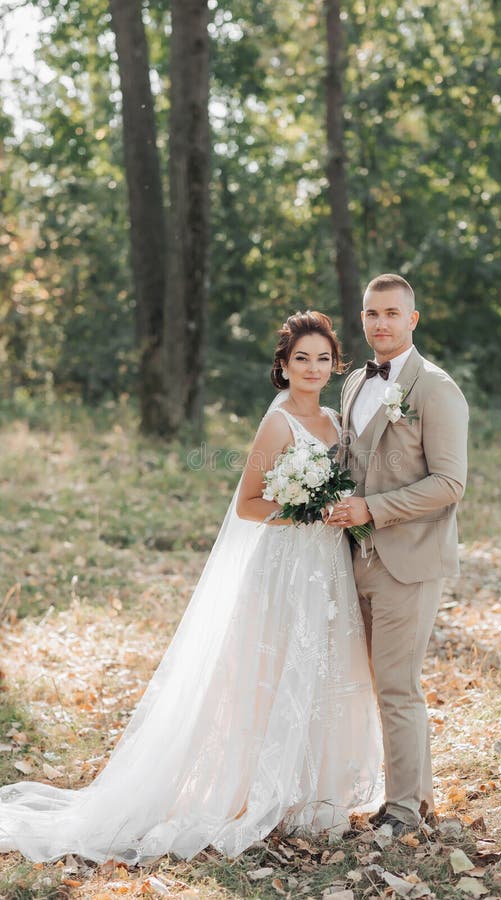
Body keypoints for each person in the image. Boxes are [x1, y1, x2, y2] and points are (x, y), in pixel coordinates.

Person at [0, 311, 382, 864]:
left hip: (324, 567)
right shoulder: (278, 424)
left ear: (334, 364)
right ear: (283, 365)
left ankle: (306, 793)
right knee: (267, 678)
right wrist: (306, 509)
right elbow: (249, 505)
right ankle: (253, 791)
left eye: (323, 359)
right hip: (282, 567)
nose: (313, 368)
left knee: (320, 669)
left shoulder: (332, 421)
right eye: (302, 358)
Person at [325, 274, 469, 835]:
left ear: (413, 319)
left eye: (390, 313)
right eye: (370, 314)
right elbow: (351, 460)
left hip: (408, 560)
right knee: (370, 682)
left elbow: (450, 483)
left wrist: (373, 509)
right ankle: (405, 794)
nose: (379, 323)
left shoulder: (436, 389)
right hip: (351, 557)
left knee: (397, 685)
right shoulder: (356, 382)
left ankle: (406, 811)